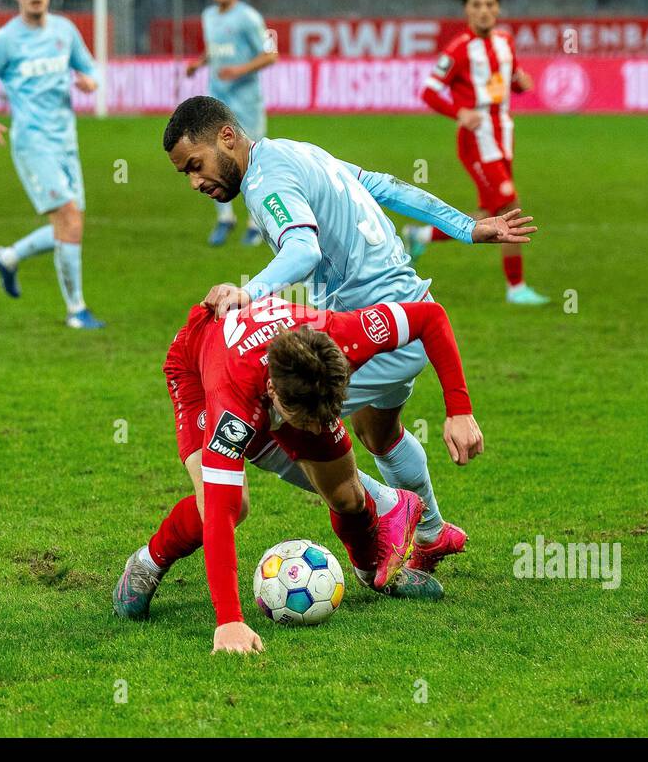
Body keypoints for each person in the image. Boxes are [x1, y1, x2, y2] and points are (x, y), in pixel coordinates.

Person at [162, 96, 535, 572]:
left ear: (227, 137)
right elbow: (385, 186)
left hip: (379, 320)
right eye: (186, 174)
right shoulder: (296, 150)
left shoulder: (263, 181)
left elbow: (302, 249)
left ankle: (388, 511)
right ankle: (432, 533)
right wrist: (465, 227)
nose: (196, 181)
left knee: (268, 419)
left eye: (196, 165)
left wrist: (248, 291)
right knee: (377, 434)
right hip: (404, 311)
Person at [114, 295, 485, 654]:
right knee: (231, 504)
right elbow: (220, 513)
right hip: (198, 371)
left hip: (284, 385)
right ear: (274, 393)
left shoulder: (342, 334)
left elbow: (429, 317)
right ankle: (148, 561)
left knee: (347, 495)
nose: (314, 429)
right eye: (305, 422)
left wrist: (460, 408)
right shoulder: (234, 403)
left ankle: (371, 570)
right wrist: (229, 620)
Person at [0, 0, 106, 329]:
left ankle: (8, 257)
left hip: (66, 141)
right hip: (32, 142)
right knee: (69, 221)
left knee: (70, 226)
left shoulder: (65, 30)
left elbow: (90, 68)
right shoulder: (6, 41)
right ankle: (76, 311)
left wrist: (90, 81)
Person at [412, 0, 550, 306]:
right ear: (467, 10)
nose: (484, 11)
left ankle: (422, 234)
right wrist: (459, 112)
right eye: (477, 5)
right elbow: (429, 91)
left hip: (503, 135)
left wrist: (521, 84)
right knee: (508, 205)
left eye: (490, 4)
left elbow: (509, 79)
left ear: (498, 8)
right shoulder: (458, 49)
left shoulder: (505, 41)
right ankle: (516, 287)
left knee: (489, 210)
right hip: (476, 141)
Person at [185, 0, 276, 247]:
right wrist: (200, 63)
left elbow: (271, 54)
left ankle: (255, 223)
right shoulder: (208, 16)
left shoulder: (249, 17)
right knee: (211, 156)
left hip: (246, 102)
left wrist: (239, 70)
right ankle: (225, 217)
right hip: (217, 101)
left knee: (250, 162)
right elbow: (216, 48)